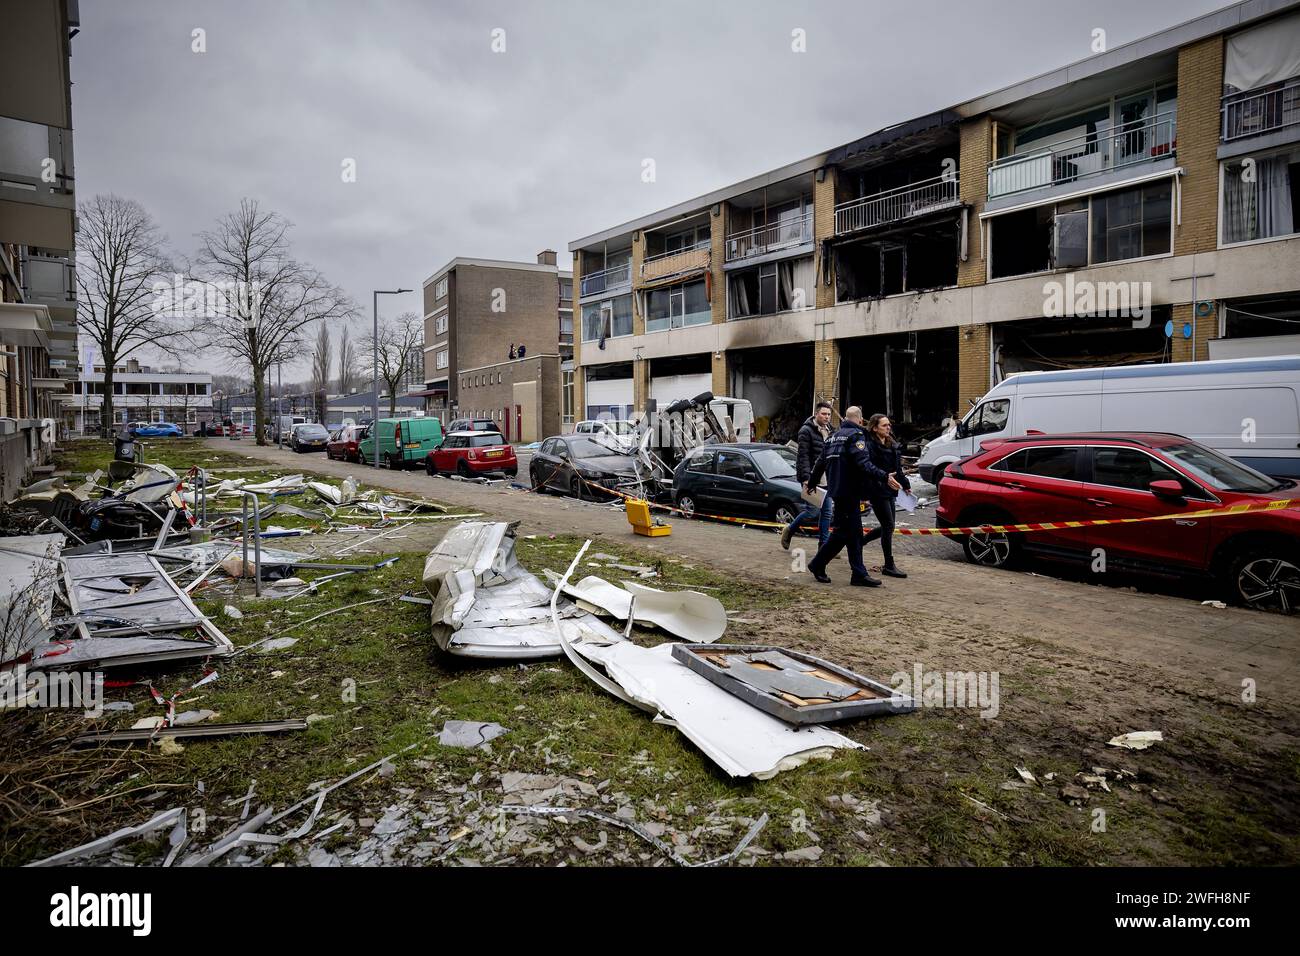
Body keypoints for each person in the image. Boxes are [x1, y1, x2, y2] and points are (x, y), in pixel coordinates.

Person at [804, 406, 900, 587]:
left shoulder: (833, 437)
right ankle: (818, 564)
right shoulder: (855, 437)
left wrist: (812, 482)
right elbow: (863, 463)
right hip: (849, 491)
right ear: (860, 419)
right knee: (842, 534)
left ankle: (858, 573)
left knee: (853, 534)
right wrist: (884, 476)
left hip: (839, 491)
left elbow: (820, 463)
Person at [861, 413, 911, 578]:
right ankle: (889, 565)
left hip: (891, 490)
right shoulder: (870, 446)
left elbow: (898, 470)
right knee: (888, 525)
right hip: (877, 490)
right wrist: (883, 479)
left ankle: (861, 542)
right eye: (884, 425)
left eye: (889, 425)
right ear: (875, 428)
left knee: (888, 526)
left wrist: (906, 484)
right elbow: (868, 469)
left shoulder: (892, 446)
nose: (888, 428)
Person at [780, 400, 834, 551]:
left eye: (829, 414)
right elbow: (802, 456)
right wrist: (806, 479)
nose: (827, 417)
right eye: (824, 414)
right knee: (813, 511)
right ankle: (789, 529)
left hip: (826, 477)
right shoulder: (806, 431)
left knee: (827, 512)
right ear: (816, 414)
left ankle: (824, 547)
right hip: (811, 478)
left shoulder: (830, 429)